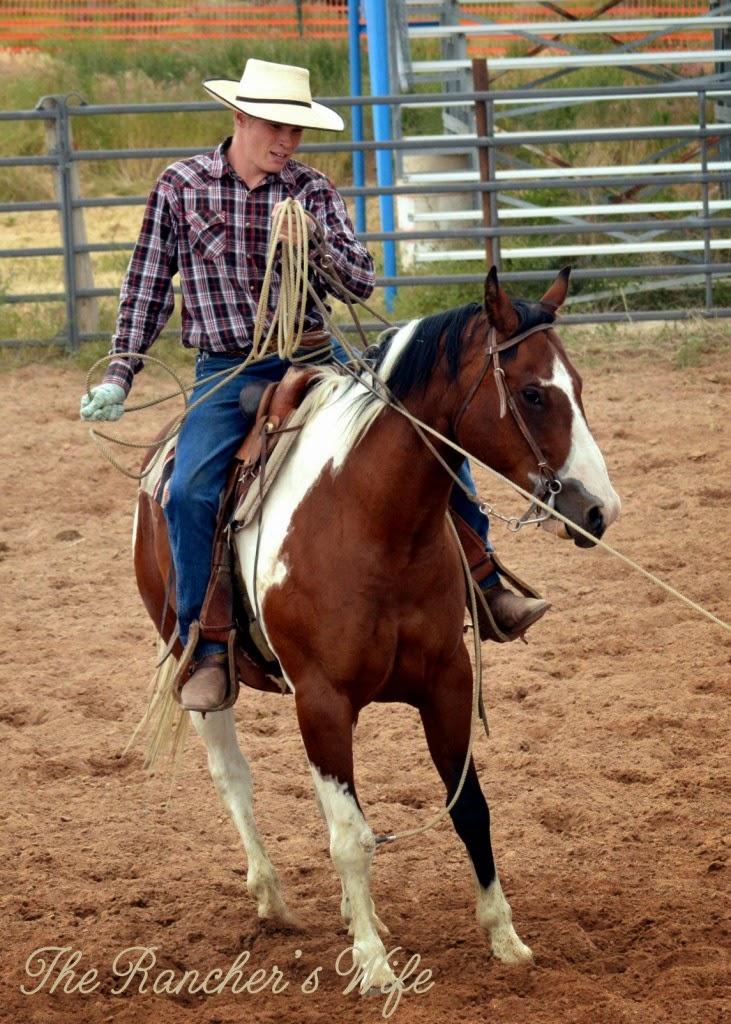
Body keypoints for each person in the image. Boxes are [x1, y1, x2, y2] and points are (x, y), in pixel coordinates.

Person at [80, 59, 548, 713]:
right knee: (188, 491)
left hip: (316, 360)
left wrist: (318, 247)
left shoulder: (313, 190)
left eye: (297, 130)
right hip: (228, 369)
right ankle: (206, 644)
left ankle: (485, 580)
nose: (287, 142)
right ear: (239, 118)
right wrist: (120, 370)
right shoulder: (180, 187)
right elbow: (148, 285)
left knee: (426, 437)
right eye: (276, 126)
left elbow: (360, 283)